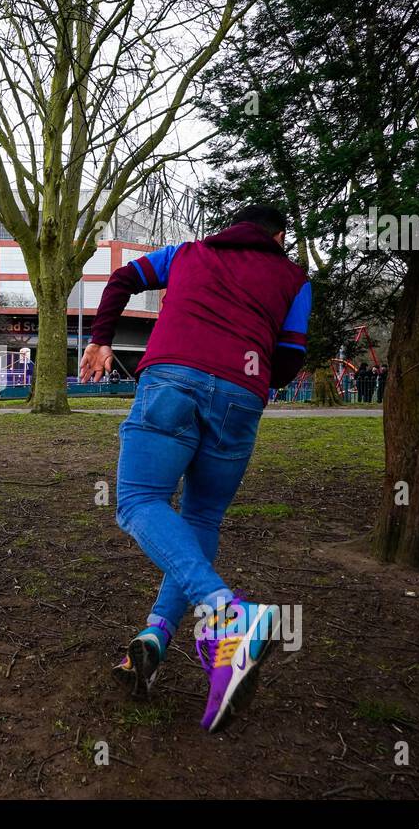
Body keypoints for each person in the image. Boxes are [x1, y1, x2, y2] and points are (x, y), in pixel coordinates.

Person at [80, 204, 311, 733]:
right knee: (202, 519)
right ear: (278, 235)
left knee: (139, 501)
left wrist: (101, 338)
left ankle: (228, 613)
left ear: (234, 228)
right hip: (241, 398)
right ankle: (155, 637)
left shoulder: (189, 253)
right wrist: (244, 372)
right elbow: (291, 358)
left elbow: (122, 279)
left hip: (171, 381)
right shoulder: (296, 279)